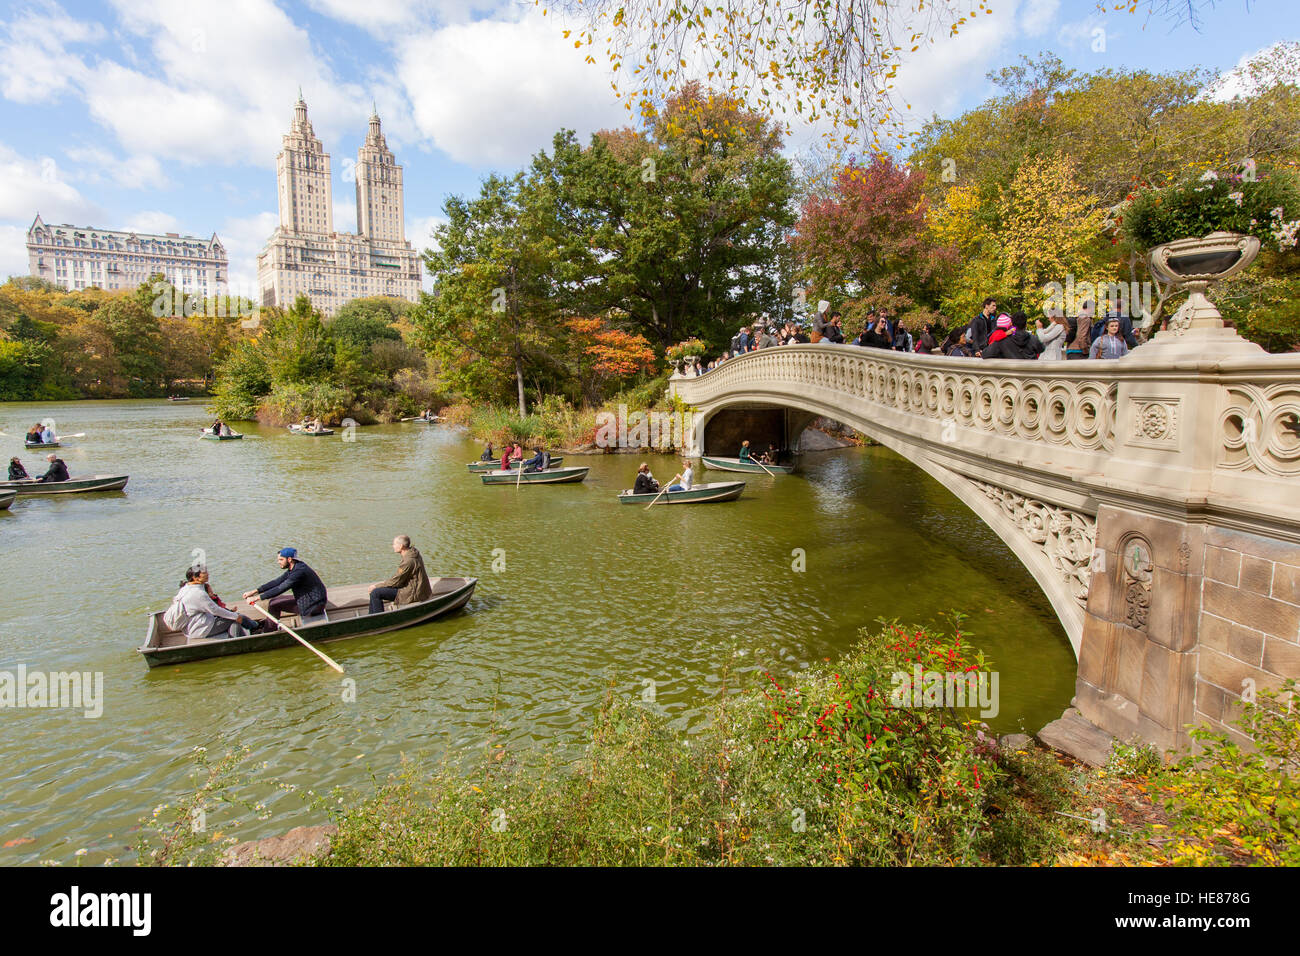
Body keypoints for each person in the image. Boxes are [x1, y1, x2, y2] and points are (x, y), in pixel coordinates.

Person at [171, 567, 260, 641]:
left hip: (192, 626)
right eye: (204, 572)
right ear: (195, 578)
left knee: (234, 622)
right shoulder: (198, 593)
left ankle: (244, 635)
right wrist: (235, 616)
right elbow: (215, 610)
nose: (208, 574)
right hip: (200, 628)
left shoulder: (185, 589)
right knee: (236, 618)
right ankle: (255, 628)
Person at [243, 547, 329, 623]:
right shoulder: (295, 567)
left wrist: (256, 598)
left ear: (289, 559)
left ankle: (269, 630)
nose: (278, 562)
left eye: (281, 559)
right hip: (311, 599)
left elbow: (280, 588)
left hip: (313, 606)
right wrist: (254, 592)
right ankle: (270, 623)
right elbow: (277, 582)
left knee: (274, 605)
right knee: (274, 600)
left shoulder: (299, 572)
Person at [368, 534, 434, 614]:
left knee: (375, 593)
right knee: (376, 591)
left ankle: (377, 619)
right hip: (416, 588)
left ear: (401, 546)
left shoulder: (408, 561)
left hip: (412, 592)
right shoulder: (413, 552)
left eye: (394, 544)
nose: (392, 546)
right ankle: (371, 615)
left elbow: (396, 581)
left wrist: (376, 586)